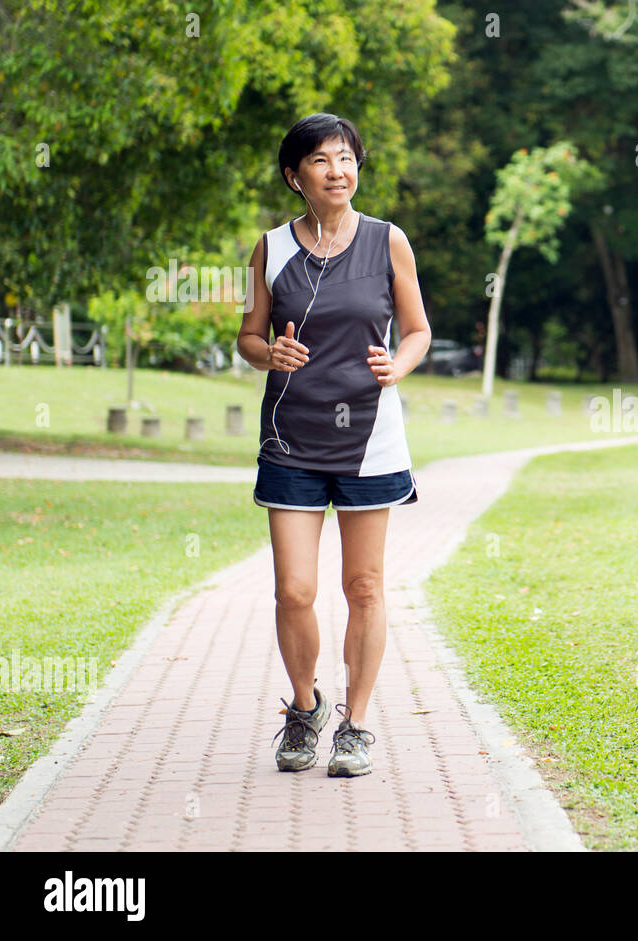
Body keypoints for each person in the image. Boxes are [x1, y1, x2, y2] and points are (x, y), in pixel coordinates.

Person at [235, 113, 432, 777]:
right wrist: (271, 354)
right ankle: (305, 706)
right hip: (291, 437)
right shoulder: (272, 248)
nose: (338, 170)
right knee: (293, 589)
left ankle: (357, 723)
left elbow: (417, 331)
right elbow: (249, 337)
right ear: (296, 176)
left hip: (370, 440)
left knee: (365, 585)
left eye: (346, 158)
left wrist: (399, 366)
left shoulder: (388, 241)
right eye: (321, 160)